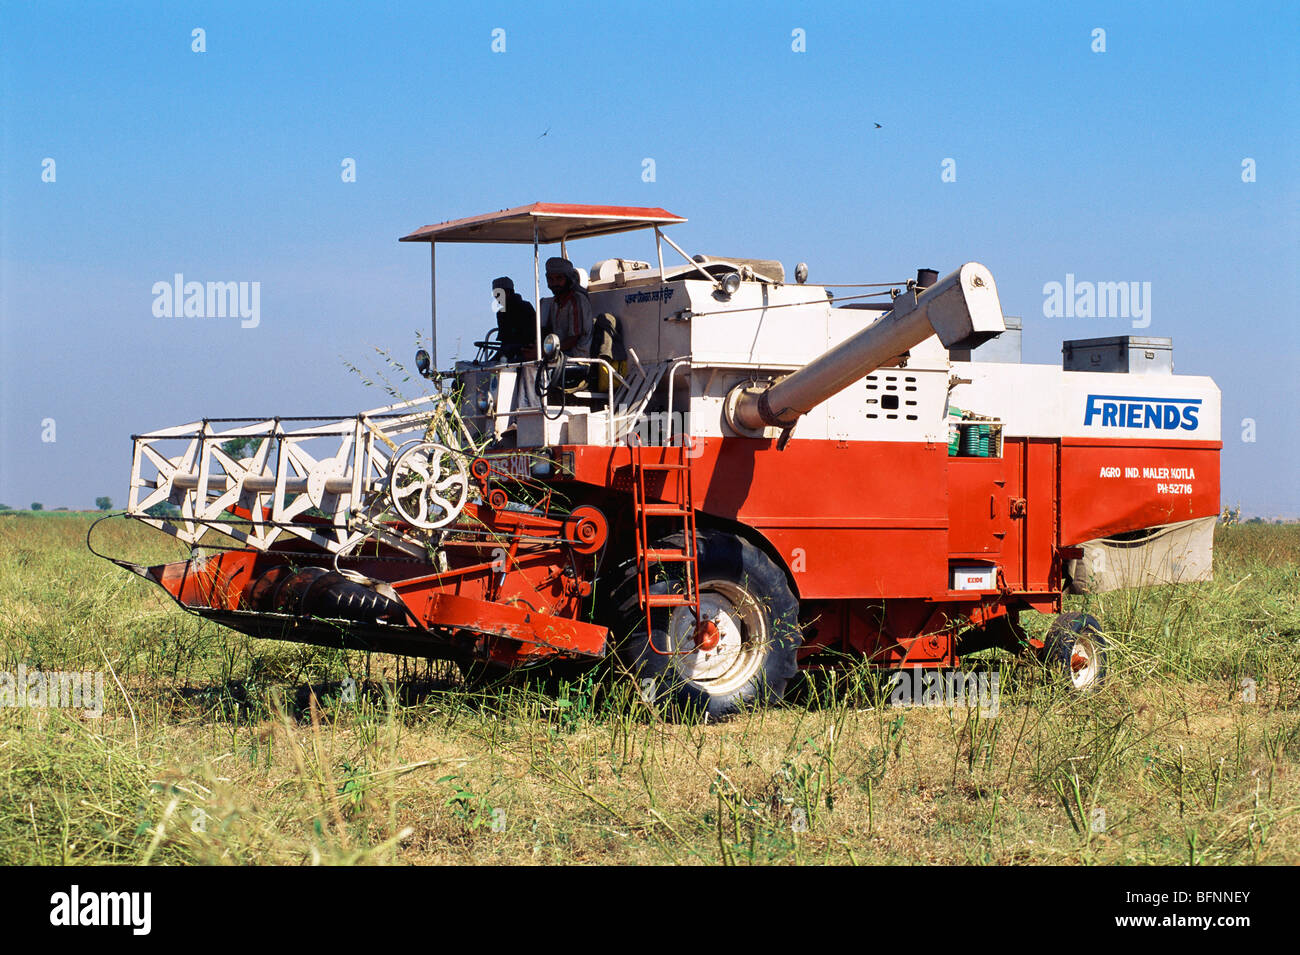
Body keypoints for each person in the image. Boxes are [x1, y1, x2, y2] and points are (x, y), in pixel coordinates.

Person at [540, 257, 593, 358]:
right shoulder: (555, 302)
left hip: (576, 355)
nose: (554, 283)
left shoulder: (576, 300)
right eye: (550, 279)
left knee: (533, 365)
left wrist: (542, 352)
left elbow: (573, 339)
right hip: (559, 353)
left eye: (559, 278)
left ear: (568, 279)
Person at [491, 276, 535, 363]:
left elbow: (530, 336)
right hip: (508, 351)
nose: (496, 298)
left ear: (508, 292)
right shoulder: (501, 313)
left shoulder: (525, 307)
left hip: (525, 351)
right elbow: (504, 340)